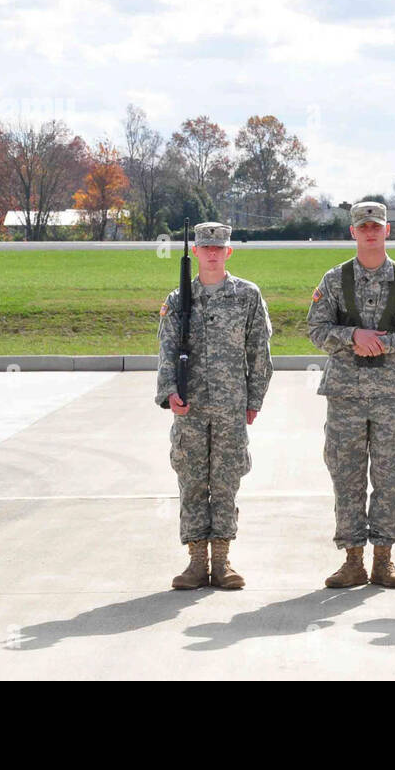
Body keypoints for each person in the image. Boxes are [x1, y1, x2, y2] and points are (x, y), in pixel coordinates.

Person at [307, 201, 395, 588]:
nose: (370, 232)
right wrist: (351, 336)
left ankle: (384, 559)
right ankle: (352, 559)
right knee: (346, 477)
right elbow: (315, 328)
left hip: (391, 397)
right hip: (345, 396)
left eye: (376, 226)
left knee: (389, 477)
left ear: (387, 231)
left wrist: (383, 343)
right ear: (353, 233)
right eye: (363, 227)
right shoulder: (334, 280)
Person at [156, 221, 273, 590]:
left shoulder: (247, 296)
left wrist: (255, 397)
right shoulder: (178, 300)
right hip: (190, 406)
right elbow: (167, 350)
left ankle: (221, 561)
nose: (211, 253)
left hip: (230, 404)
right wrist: (169, 391)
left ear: (228, 252)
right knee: (191, 479)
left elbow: (259, 352)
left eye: (218, 247)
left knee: (225, 481)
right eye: (205, 247)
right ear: (194, 252)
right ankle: (195, 562)